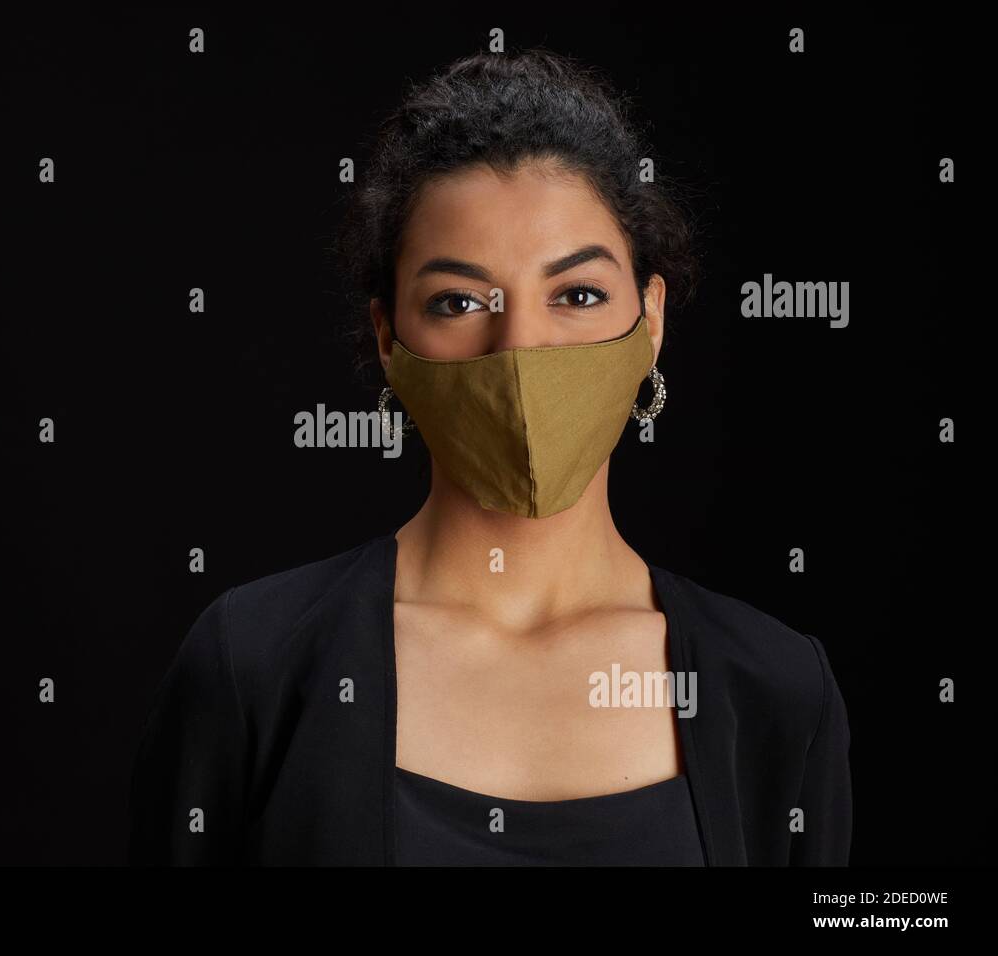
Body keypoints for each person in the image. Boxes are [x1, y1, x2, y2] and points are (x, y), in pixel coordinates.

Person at [128, 47, 852, 866]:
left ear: (649, 321)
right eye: (459, 301)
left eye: (577, 294)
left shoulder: (774, 688)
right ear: (389, 339)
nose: (520, 349)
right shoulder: (254, 664)